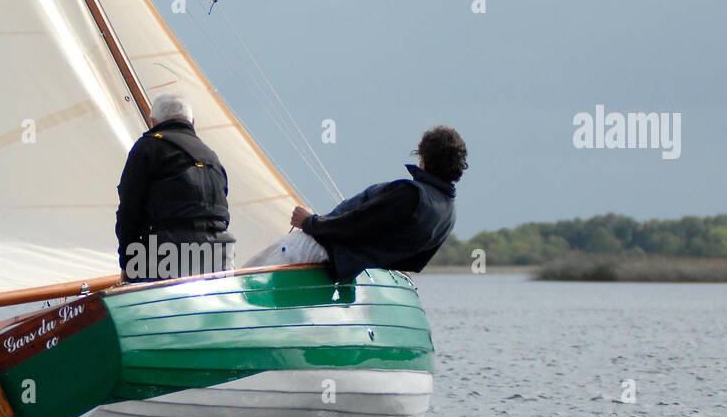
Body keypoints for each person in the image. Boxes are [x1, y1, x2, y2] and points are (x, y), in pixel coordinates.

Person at [247, 125, 468, 280]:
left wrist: (309, 222)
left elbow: (354, 225)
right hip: (347, 267)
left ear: (424, 158)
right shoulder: (449, 212)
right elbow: (409, 258)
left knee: (245, 279)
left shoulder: (410, 194)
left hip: (318, 248)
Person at [115, 93, 236, 283]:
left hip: (168, 253)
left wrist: (128, 264)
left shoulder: (148, 147)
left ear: (153, 121)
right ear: (192, 122)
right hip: (219, 253)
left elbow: (129, 212)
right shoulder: (211, 157)